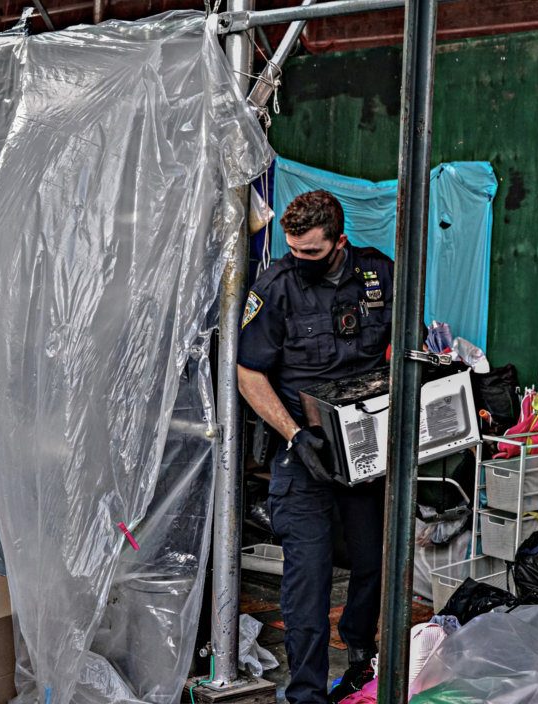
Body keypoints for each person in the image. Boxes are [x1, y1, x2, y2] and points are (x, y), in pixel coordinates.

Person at [237, 190, 393, 704]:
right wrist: (295, 434)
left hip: (363, 452)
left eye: (310, 252)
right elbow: (247, 373)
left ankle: (359, 661)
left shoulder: (377, 275)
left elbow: (405, 344)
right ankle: (305, 691)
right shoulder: (276, 286)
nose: (298, 259)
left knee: (372, 563)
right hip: (301, 452)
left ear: (339, 241)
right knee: (309, 576)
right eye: (293, 248)